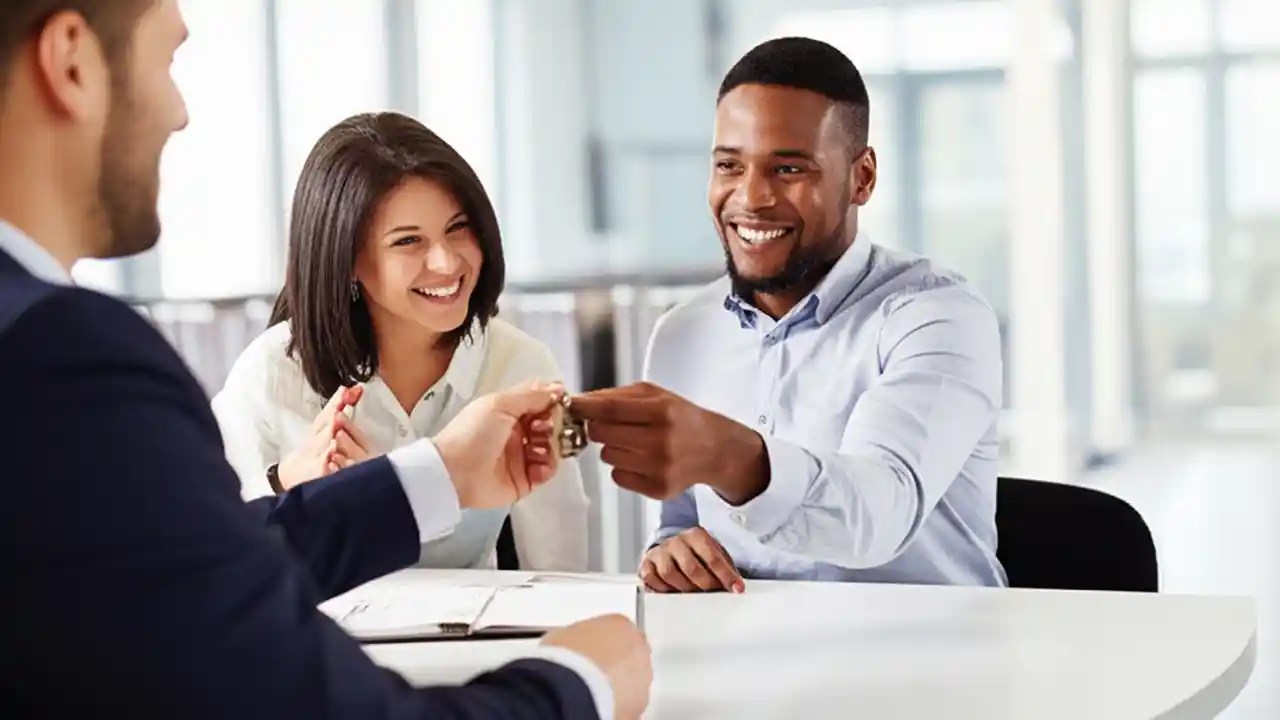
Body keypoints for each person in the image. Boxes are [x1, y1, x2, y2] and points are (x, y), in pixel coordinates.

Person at [0, 1, 650, 718]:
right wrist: (577, 684)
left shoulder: (45, 347)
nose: (180, 113)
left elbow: (178, 576)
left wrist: (438, 474)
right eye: (168, 62)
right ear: (69, 60)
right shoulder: (63, 358)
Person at [573, 37, 1006, 592]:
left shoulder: (938, 316)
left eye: (788, 169)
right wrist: (671, 552)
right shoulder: (683, 333)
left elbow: (880, 513)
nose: (750, 197)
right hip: (750, 656)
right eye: (729, 165)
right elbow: (681, 524)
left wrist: (730, 456)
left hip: (929, 658)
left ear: (862, 178)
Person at [213, 112, 589, 572]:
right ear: (346, 258)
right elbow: (214, 559)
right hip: (322, 638)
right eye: (408, 241)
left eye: (458, 228)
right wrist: (288, 481)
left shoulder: (522, 365)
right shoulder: (270, 372)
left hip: (473, 640)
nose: (447, 262)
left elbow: (561, 564)